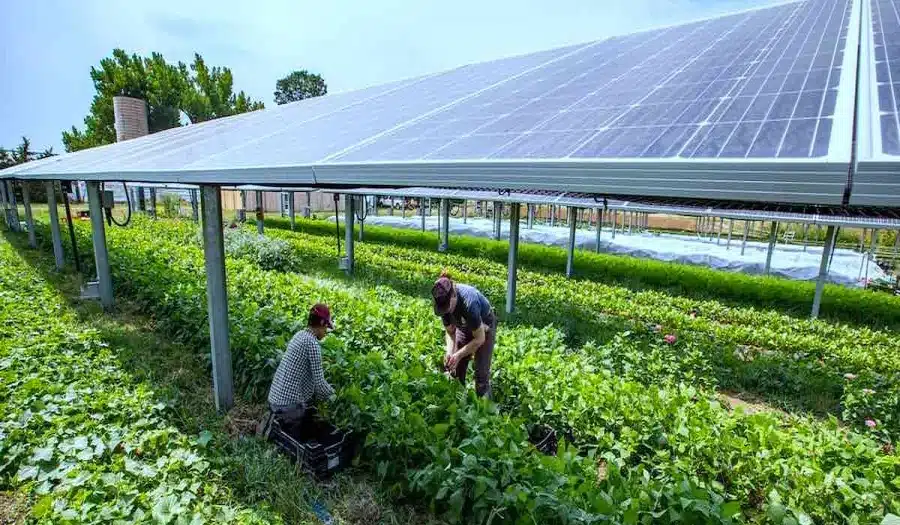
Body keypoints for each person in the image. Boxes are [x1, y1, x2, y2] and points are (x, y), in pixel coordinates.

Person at [259, 303, 336, 437]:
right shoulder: (312, 344)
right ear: (321, 324)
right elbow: (319, 384)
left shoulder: (299, 335)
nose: (326, 332)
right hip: (287, 407)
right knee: (303, 432)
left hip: (274, 401)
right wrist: (334, 397)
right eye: (326, 327)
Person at [432, 271, 496, 398]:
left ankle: (486, 410)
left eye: (448, 308)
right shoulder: (442, 302)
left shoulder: (469, 303)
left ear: (454, 295)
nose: (446, 312)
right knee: (455, 369)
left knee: (481, 375)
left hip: (484, 327)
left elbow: (480, 338)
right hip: (463, 326)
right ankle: (458, 403)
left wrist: (459, 354)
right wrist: (451, 353)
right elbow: (450, 332)